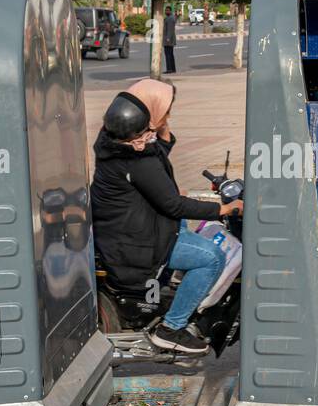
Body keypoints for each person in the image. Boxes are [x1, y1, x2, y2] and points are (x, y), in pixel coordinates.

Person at [90, 78, 242, 355]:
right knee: (211, 257)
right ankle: (172, 328)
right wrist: (223, 209)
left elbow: (157, 152)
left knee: (189, 230)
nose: (167, 116)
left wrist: (160, 126)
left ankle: (175, 294)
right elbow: (173, 205)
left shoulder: (118, 140)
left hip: (131, 225)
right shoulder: (138, 161)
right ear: (145, 117)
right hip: (135, 240)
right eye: (164, 112)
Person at [162, 5, 178, 74]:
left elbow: (170, 30)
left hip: (169, 39)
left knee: (168, 54)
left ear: (170, 11)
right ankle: (172, 69)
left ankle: (169, 69)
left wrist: (168, 38)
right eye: (166, 10)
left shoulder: (170, 19)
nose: (166, 11)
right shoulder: (169, 18)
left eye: (168, 10)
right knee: (170, 54)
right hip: (169, 39)